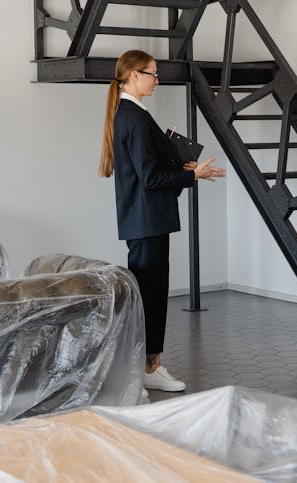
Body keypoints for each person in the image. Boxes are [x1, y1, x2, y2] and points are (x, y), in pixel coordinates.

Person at [99, 49, 226, 392]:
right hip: (147, 220)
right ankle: (149, 367)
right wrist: (191, 176)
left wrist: (187, 170)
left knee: (149, 295)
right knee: (151, 297)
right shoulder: (135, 117)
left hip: (144, 220)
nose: (157, 80)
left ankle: (143, 365)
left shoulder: (128, 113)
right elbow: (150, 178)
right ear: (133, 75)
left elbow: (150, 170)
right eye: (152, 74)